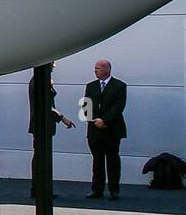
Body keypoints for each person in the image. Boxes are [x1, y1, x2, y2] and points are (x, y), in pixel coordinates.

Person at [28, 63, 75, 197]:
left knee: (39, 157)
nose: (55, 65)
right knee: (41, 158)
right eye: (53, 63)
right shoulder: (41, 81)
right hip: (42, 124)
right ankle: (40, 189)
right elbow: (46, 105)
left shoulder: (38, 80)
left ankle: (38, 188)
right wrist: (63, 118)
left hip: (41, 123)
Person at [84, 59, 127, 199]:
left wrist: (105, 120)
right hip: (95, 130)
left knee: (113, 160)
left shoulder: (119, 86)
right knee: (97, 160)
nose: (95, 70)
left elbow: (119, 106)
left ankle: (114, 189)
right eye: (94, 68)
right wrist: (94, 119)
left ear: (107, 70)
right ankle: (97, 189)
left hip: (112, 129)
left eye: (98, 68)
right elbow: (86, 107)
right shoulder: (90, 86)